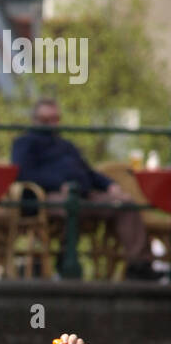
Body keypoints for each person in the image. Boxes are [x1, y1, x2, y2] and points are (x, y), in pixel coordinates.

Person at [12, 98, 157, 280]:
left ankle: (139, 265)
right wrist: (58, 185)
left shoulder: (66, 146)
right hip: (50, 196)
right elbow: (23, 173)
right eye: (45, 120)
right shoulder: (25, 143)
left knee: (125, 204)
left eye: (55, 119)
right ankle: (67, 262)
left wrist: (110, 186)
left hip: (85, 193)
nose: (51, 124)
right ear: (35, 120)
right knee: (70, 206)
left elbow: (88, 172)